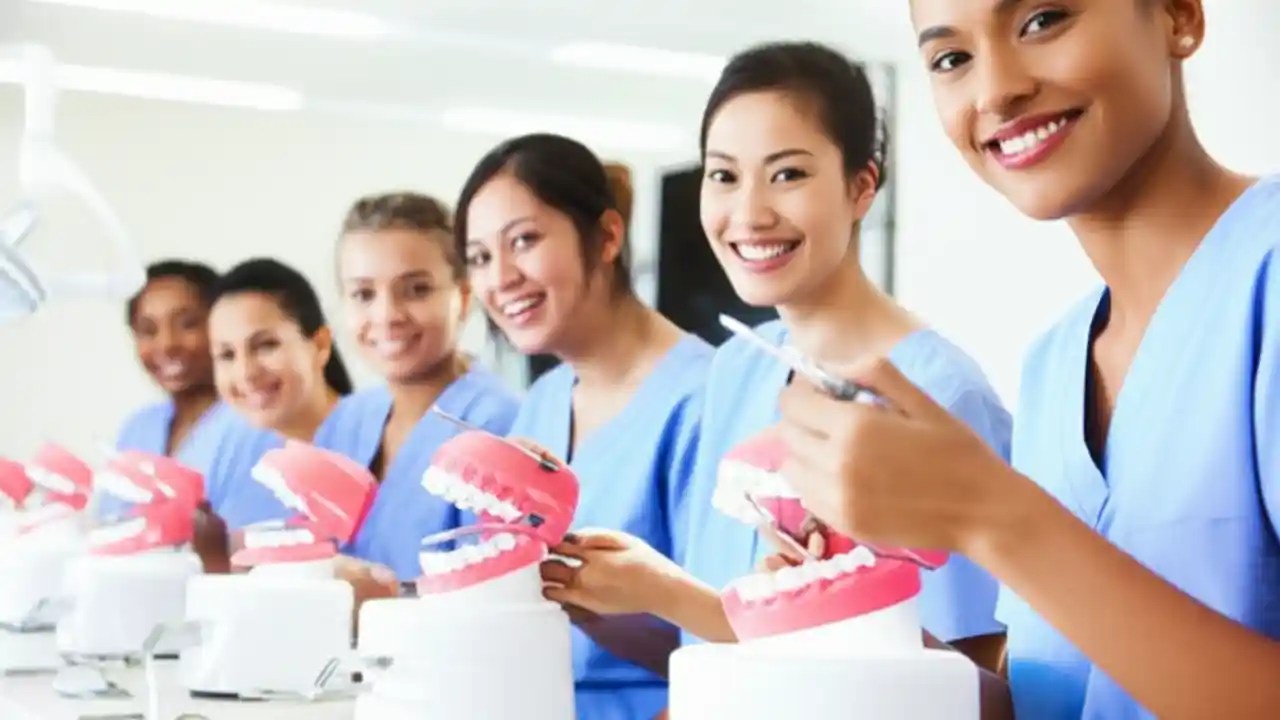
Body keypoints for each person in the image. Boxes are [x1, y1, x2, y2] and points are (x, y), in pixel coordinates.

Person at [775, 1, 1280, 718]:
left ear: (1177, 15)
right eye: (952, 59)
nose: (995, 90)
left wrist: (991, 515)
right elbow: (1060, 697)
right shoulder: (1053, 366)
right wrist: (862, 631)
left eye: (1043, 20)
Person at [539, 40, 1012, 680]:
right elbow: (723, 642)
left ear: (861, 186)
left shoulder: (941, 397)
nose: (749, 214)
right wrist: (622, 589)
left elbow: (976, 686)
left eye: (788, 174)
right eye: (724, 175)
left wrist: (672, 592)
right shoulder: (738, 369)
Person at [455, 133, 713, 720]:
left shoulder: (703, 399)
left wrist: (585, 598)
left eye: (524, 240)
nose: (500, 277)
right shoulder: (542, 402)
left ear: (608, 237)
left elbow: (732, 644)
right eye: (479, 257)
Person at [309, 191, 519, 581]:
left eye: (417, 289)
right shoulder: (345, 423)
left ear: (464, 294)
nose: (387, 314)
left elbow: (498, 598)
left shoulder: (496, 425)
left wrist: (380, 598)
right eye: (363, 294)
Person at [201, 257, 353, 523]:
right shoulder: (245, 464)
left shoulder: (377, 447)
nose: (246, 372)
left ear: (320, 345)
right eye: (226, 355)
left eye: (265, 345)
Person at [107, 260, 236, 520]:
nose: (166, 344)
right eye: (147, 330)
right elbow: (110, 524)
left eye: (187, 324)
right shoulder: (138, 428)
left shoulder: (254, 425)